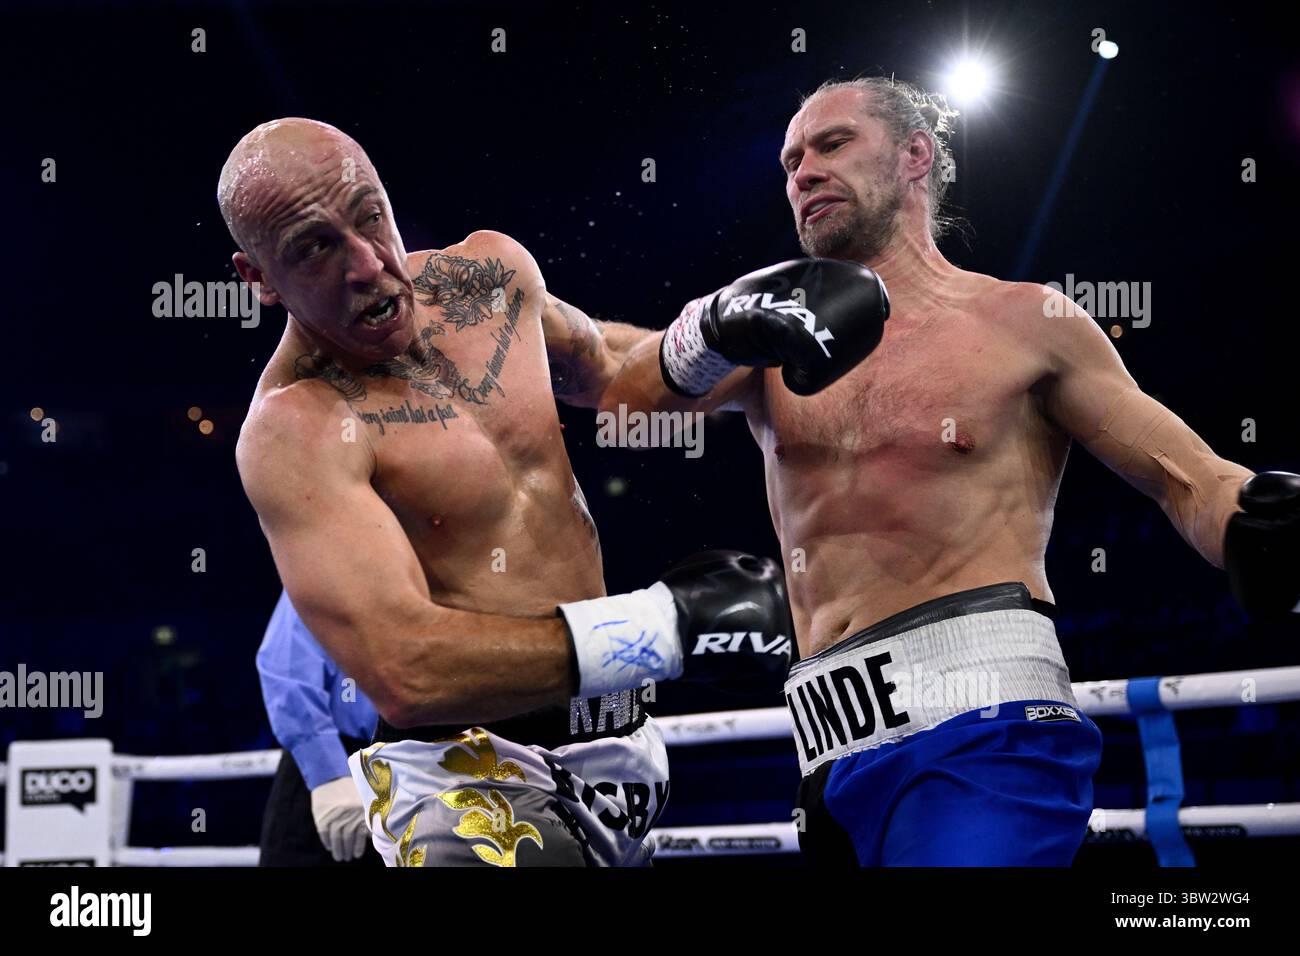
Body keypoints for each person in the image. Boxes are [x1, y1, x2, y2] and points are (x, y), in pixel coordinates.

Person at [601, 76, 1300, 865]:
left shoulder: (1025, 322)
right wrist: (701, 323)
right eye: (791, 162)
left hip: (987, 736)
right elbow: (615, 387)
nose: (804, 173)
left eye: (832, 145)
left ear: (915, 155)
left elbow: (1188, 477)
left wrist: (1255, 520)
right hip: (829, 759)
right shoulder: (770, 347)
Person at [221, 118, 815, 866]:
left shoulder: (488, 277)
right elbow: (406, 669)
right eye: (315, 247)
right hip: (464, 776)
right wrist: (662, 628)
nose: (368, 264)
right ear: (258, 279)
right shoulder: (293, 430)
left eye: (370, 215)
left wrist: (727, 336)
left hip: (621, 746)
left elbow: (613, 378)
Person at [256, 589, 383, 866]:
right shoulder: (336, 564)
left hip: (426, 766)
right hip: (337, 759)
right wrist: (327, 773)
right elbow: (286, 668)